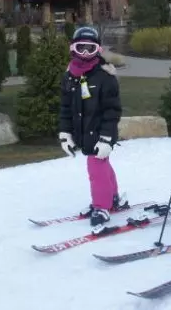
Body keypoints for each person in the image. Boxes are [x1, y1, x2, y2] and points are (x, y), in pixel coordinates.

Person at [58, 26, 126, 227]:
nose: (86, 53)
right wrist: (65, 134)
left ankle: (101, 206)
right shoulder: (69, 76)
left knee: (95, 167)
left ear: (98, 50)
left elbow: (112, 111)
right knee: (102, 164)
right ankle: (112, 198)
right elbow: (65, 108)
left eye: (90, 48)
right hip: (83, 132)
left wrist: (106, 138)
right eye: (81, 48)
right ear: (73, 49)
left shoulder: (105, 77)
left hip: (101, 133)